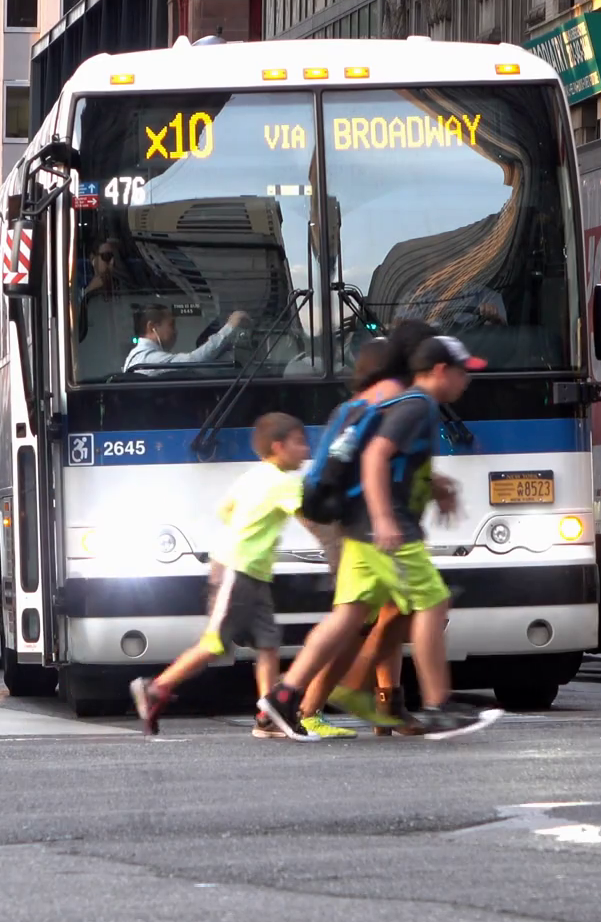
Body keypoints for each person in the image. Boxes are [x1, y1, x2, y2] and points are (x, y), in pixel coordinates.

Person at [261, 336, 494, 739]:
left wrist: (434, 488)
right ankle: (440, 705)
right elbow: (375, 457)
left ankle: (284, 695)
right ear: (440, 371)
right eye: (462, 373)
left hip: (355, 527)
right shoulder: (417, 404)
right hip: (385, 530)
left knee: (348, 616)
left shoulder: (388, 402)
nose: (467, 382)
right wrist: (385, 518)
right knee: (433, 602)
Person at [129, 413, 313, 738]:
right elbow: (309, 518)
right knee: (214, 644)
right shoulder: (285, 482)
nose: (306, 449)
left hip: (248, 571)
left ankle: (268, 716)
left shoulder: (252, 477)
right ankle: (155, 688)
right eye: (299, 442)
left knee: (268, 643)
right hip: (238, 572)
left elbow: (225, 510)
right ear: (278, 446)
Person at [124, 303, 250, 374]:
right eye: (171, 325)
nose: (175, 331)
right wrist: (230, 327)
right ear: (152, 327)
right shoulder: (148, 359)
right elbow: (194, 360)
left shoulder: (138, 357)